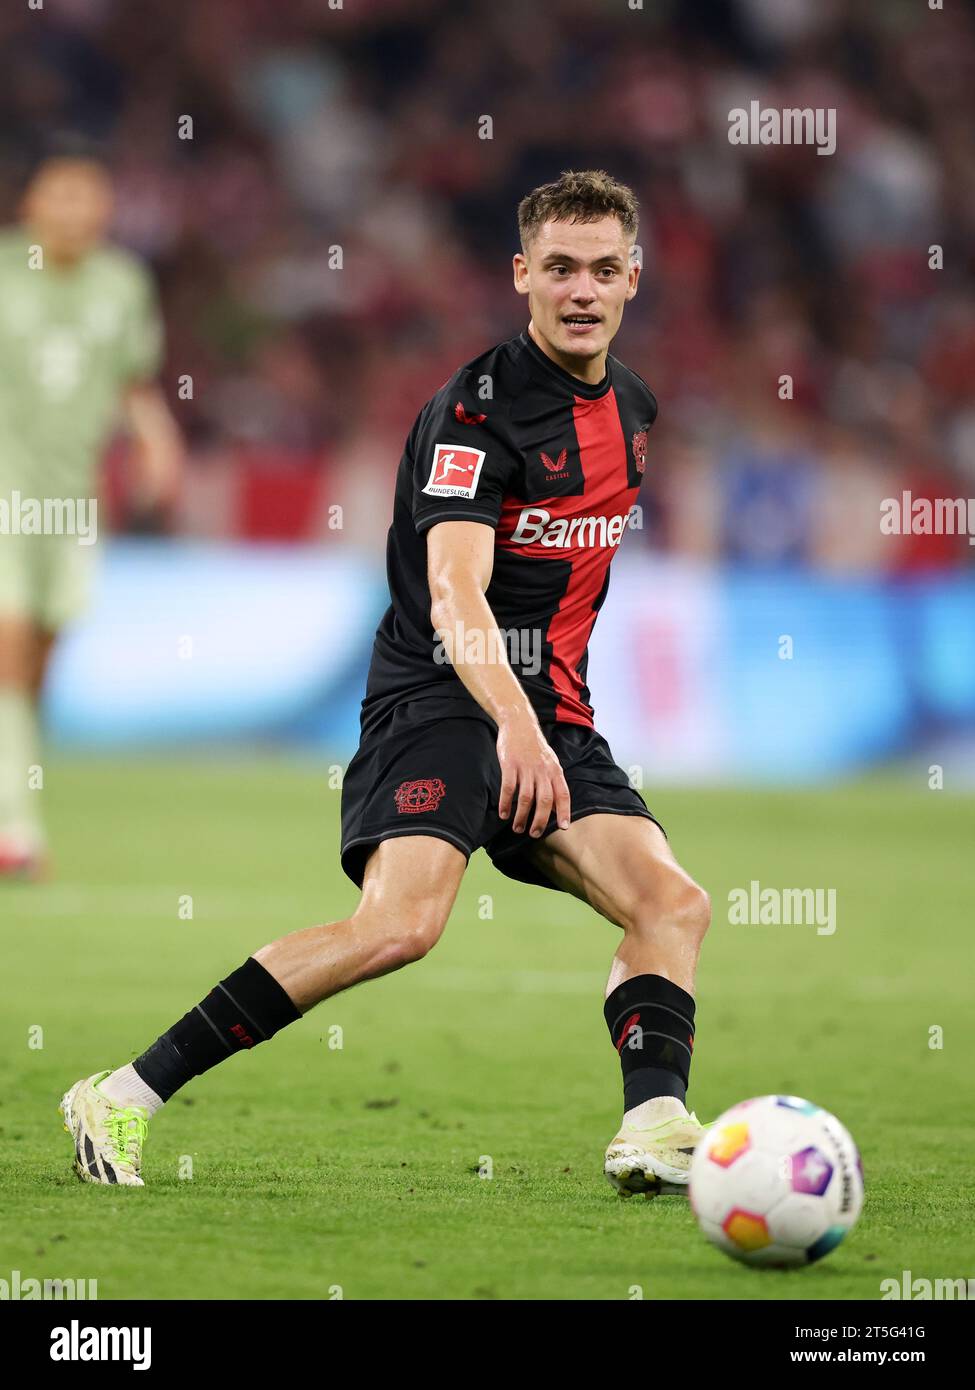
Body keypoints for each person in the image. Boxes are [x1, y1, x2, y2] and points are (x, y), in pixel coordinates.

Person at [60, 169, 711, 1196]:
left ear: (634, 276)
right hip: (443, 700)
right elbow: (457, 596)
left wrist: (547, 723)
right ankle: (124, 1093)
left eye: (600, 269)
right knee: (402, 926)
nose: (579, 289)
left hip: (551, 719)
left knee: (672, 902)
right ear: (521, 277)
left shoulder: (633, 410)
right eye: (557, 269)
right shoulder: (475, 416)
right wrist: (514, 725)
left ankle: (653, 1125)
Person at [0, 145, 183, 878]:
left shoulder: (122, 284)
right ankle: (17, 825)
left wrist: (158, 442)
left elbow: (132, 382)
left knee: (39, 658)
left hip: (72, 500)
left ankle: (13, 784)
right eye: (61, 196)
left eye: (88, 198)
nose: (75, 212)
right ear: (31, 204)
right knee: (8, 642)